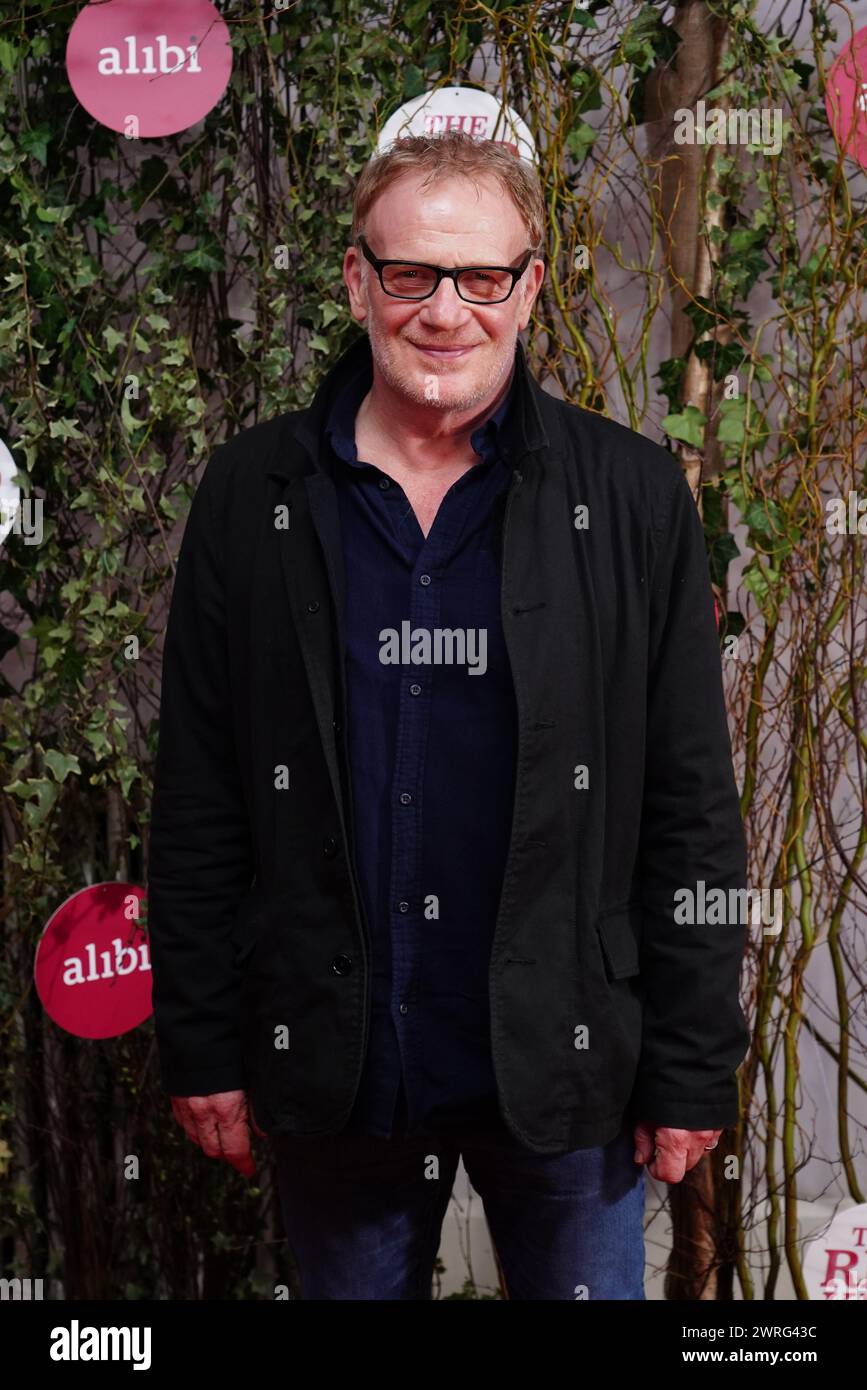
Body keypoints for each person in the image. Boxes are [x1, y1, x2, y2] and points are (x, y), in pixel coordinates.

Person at [147, 130, 751, 1300]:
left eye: (482, 277)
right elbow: (203, 796)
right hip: (342, 1062)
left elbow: (689, 802)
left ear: (530, 286)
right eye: (413, 274)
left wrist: (691, 1063)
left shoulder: (629, 497)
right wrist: (205, 1041)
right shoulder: (250, 495)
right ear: (358, 280)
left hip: (570, 1063)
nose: (446, 311)